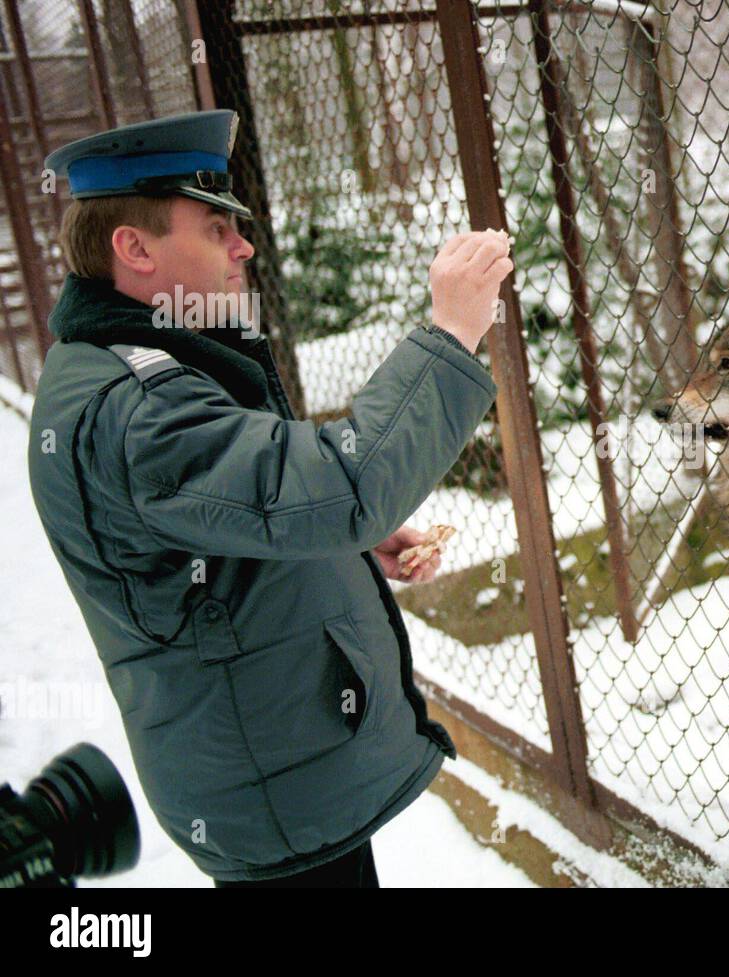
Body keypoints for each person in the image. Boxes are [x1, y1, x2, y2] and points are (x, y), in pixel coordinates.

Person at [27, 109, 512, 886]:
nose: (243, 245)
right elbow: (342, 481)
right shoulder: (137, 409)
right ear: (134, 247)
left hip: (270, 762)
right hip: (273, 785)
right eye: (216, 226)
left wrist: (341, 541)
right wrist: (451, 332)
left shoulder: (133, 361)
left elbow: (242, 513)